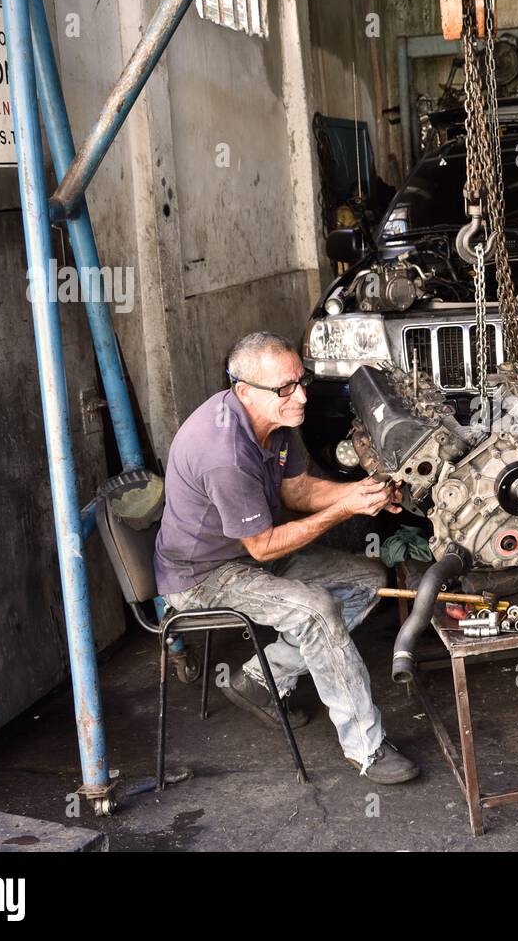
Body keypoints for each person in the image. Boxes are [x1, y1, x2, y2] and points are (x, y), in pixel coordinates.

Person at [154, 331, 419, 783]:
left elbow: (295, 489)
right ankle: (367, 749)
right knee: (316, 612)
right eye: (284, 388)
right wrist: (344, 509)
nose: (300, 396)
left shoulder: (273, 421)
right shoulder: (223, 452)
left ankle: (263, 678)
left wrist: (361, 492)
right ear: (243, 391)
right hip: (203, 577)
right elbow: (265, 546)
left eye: (301, 381)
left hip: (246, 554)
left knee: (364, 580)